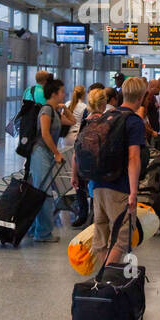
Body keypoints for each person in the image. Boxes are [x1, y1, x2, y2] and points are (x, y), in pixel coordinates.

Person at [88, 76, 148, 269]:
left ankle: (102, 279)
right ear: (140, 97)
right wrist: (133, 192)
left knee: (102, 235)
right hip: (119, 187)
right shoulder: (133, 121)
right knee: (122, 236)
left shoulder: (107, 116)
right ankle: (105, 278)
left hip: (98, 184)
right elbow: (133, 158)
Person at [27, 77, 68, 243]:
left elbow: (72, 121)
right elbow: (44, 134)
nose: (64, 94)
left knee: (41, 191)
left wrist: (65, 108)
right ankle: (42, 233)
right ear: (54, 93)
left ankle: (36, 229)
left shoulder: (54, 110)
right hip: (40, 153)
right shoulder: (46, 110)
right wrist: (56, 153)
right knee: (43, 192)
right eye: (62, 92)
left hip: (45, 153)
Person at [70, 86, 109, 230]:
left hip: (83, 168)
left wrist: (74, 174)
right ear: (104, 104)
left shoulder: (85, 122)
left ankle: (84, 216)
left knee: (83, 191)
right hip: (101, 171)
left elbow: (76, 150)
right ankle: (93, 223)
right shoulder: (108, 122)